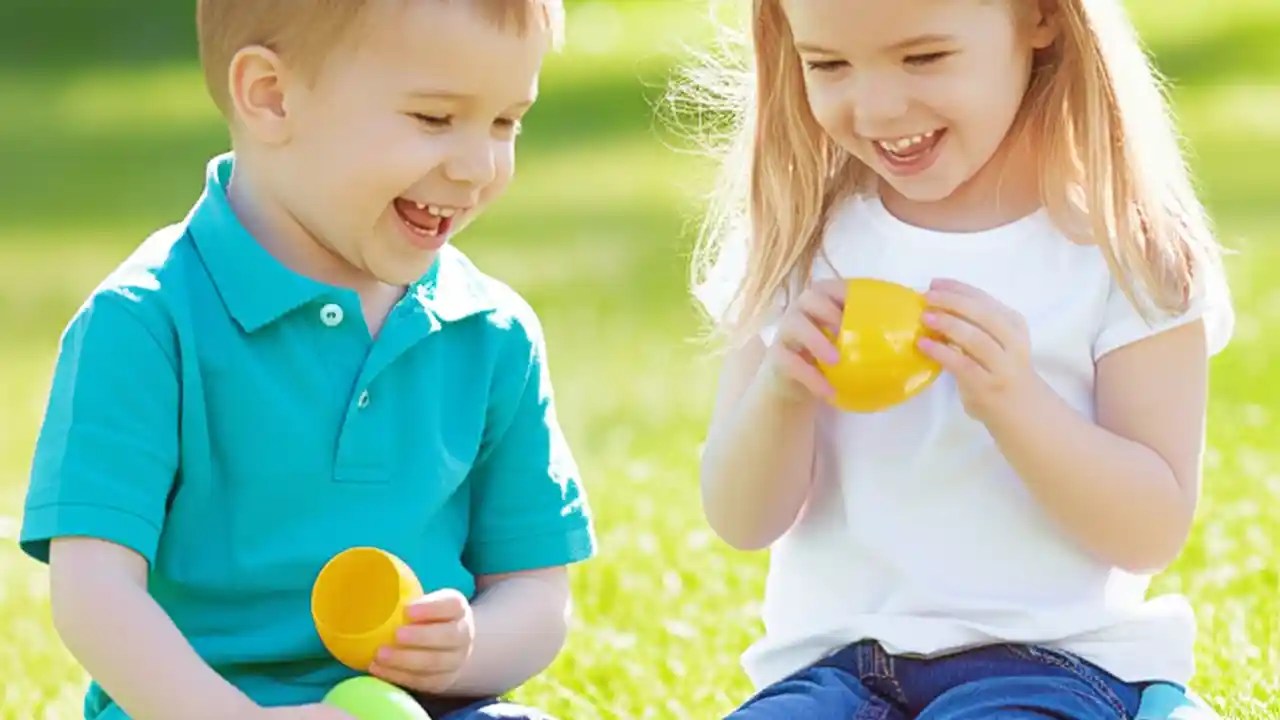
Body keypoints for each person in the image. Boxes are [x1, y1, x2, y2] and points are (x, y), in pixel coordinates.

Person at [18, 1, 594, 719]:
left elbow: (537, 591)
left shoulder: (491, 332)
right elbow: (94, 596)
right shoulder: (145, 322)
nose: (479, 166)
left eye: (507, 122)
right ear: (271, 96)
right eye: (435, 119)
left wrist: (466, 648)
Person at [687, 0, 1234, 717]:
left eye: (924, 58)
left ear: (1039, 18)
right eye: (828, 65)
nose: (879, 108)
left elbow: (1150, 531)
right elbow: (740, 519)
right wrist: (780, 394)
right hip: (835, 669)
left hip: (1051, 663)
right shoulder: (799, 238)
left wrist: (1018, 404)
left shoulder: (1124, 249)